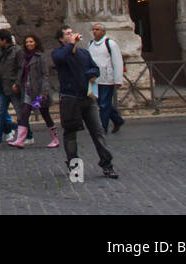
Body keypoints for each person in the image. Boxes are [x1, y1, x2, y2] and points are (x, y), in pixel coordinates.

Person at [52, 25, 117, 179]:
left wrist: (90, 74)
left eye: (72, 32)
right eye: (67, 34)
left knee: (98, 131)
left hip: (87, 98)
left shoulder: (84, 53)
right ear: (62, 39)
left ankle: (107, 164)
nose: (72, 34)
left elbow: (94, 68)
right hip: (70, 99)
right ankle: (74, 167)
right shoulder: (59, 53)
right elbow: (60, 58)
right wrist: (70, 45)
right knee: (71, 134)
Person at [17, 33, 58, 148]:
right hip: (28, 89)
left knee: (45, 115)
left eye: (31, 41)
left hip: (39, 90)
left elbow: (45, 75)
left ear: (35, 42)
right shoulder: (24, 57)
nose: (28, 44)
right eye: (26, 42)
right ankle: (20, 140)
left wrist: (44, 92)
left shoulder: (41, 56)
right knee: (24, 113)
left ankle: (55, 138)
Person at [0, 29, 23, 147]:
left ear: (4, 40)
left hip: (13, 86)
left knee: (20, 113)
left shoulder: (17, 51)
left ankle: (28, 136)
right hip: (1, 86)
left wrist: (17, 83)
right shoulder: (0, 51)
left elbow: (21, 69)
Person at [88, 23, 125, 134]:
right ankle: (118, 120)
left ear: (103, 31)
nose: (95, 31)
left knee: (104, 104)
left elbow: (117, 62)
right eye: (93, 29)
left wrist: (118, 79)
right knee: (101, 103)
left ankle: (102, 128)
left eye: (97, 29)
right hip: (95, 80)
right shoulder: (90, 44)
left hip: (107, 79)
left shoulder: (110, 44)